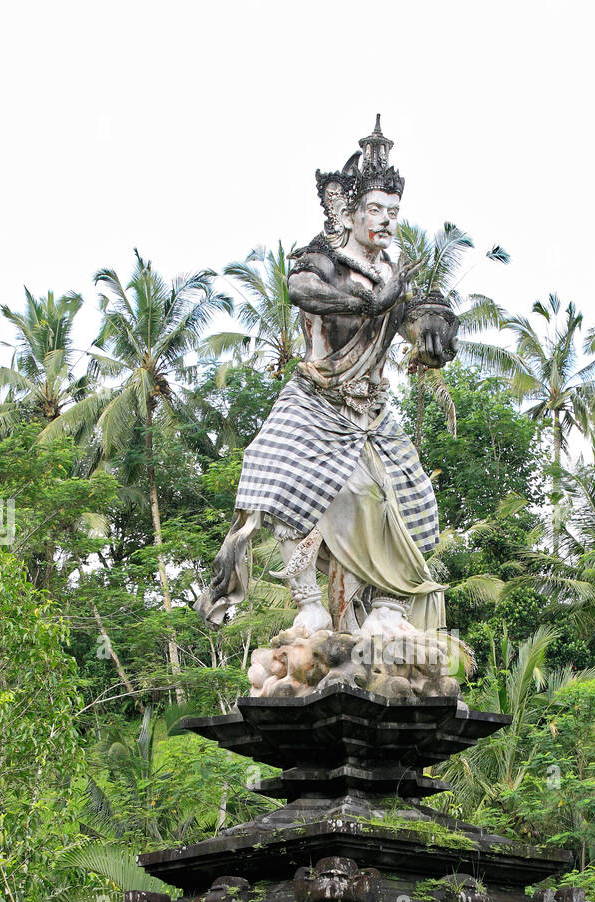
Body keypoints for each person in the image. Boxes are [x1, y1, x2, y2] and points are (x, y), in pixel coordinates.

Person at [196, 116, 459, 641]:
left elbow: (412, 326)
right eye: (375, 210)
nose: (385, 222)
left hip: (371, 409)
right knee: (280, 480)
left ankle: (387, 608)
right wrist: (371, 301)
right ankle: (308, 604)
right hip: (316, 396)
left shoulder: (395, 274)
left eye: (393, 212)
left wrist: (435, 333)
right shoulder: (324, 260)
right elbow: (300, 291)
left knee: (409, 502)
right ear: (350, 211)